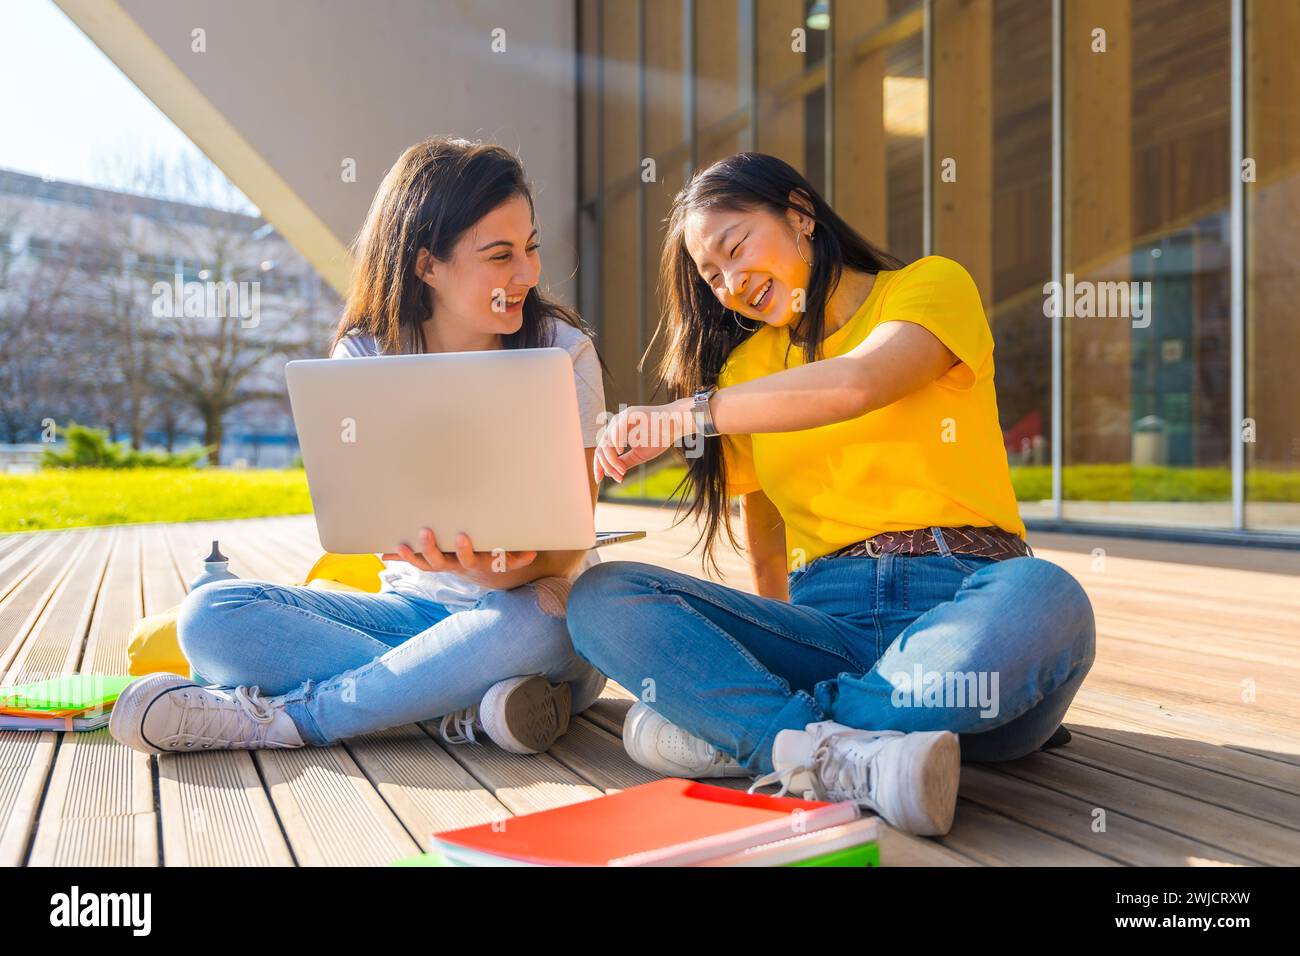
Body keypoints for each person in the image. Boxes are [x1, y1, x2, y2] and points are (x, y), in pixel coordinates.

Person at [565, 152, 1096, 835]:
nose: (729, 285)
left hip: (966, 613)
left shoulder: (926, 288)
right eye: (712, 276)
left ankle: (762, 735)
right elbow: (763, 519)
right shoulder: (745, 368)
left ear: (800, 214)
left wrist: (691, 413)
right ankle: (834, 747)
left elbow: (858, 382)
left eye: (736, 248)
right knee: (604, 597)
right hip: (830, 625)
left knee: (1045, 597)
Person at [111, 137, 608, 758]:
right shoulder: (366, 356)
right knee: (210, 616)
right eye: (500, 254)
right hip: (411, 610)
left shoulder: (563, 351)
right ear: (428, 265)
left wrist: (485, 570)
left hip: (525, 613)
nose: (528, 273)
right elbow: (363, 513)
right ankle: (464, 703)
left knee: (548, 625)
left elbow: (566, 551)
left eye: (531, 247)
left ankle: (296, 718)